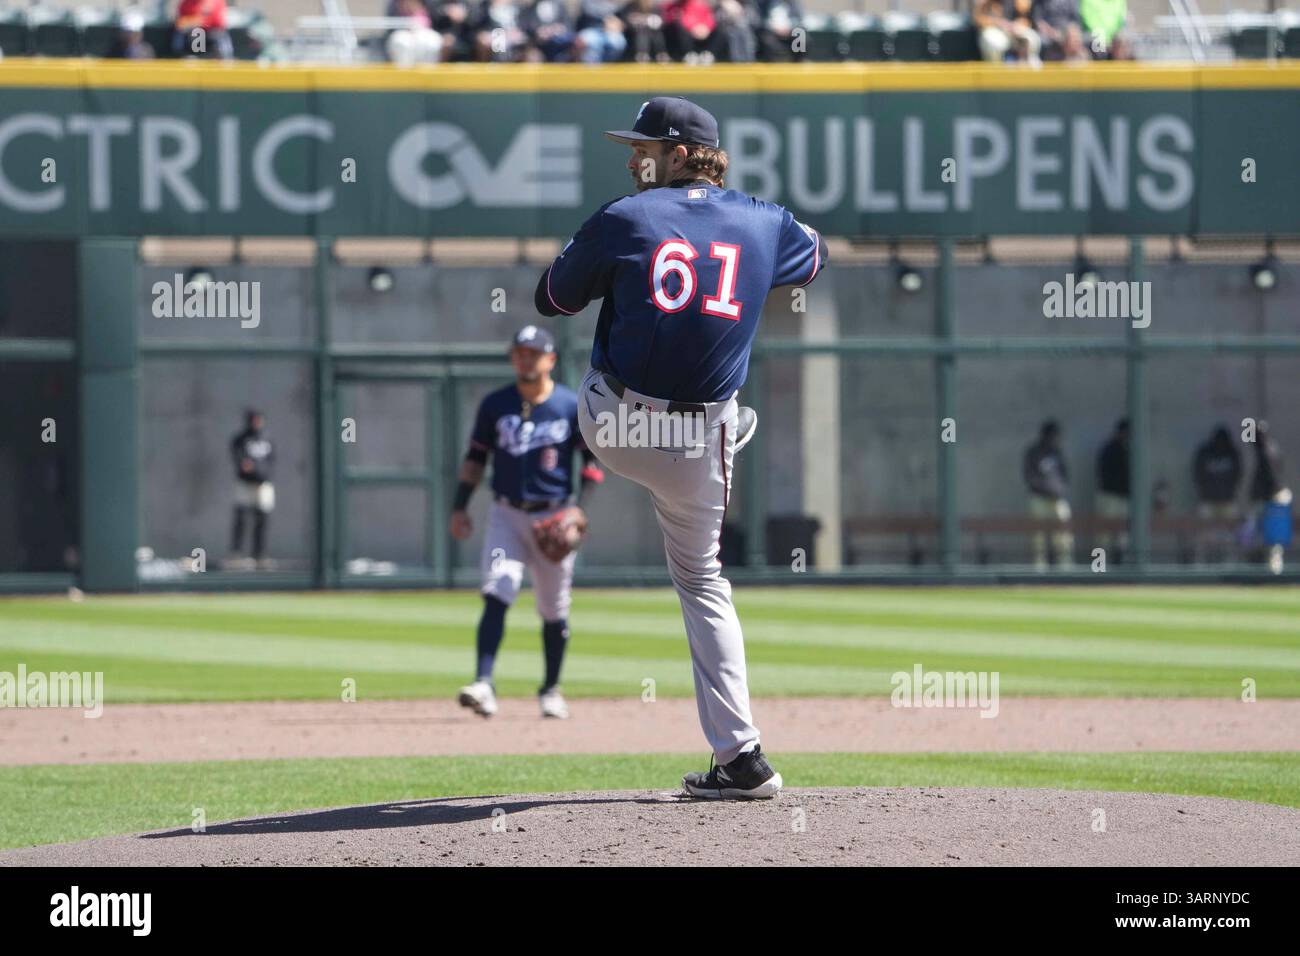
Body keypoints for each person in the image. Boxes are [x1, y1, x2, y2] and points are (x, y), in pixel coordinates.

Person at [535, 96, 827, 799]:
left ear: (680, 153)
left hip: (616, 427)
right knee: (703, 582)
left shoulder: (624, 216)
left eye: (646, 148)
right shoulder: (764, 220)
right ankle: (742, 753)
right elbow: (813, 257)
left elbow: (551, 301)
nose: (636, 158)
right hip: (701, 441)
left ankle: (741, 764)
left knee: (591, 370)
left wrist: (608, 246)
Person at [451, 326, 605, 720]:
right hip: (506, 513)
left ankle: (551, 689)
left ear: (551, 359)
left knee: (553, 606)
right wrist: (460, 506)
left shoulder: (571, 406)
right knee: (499, 584)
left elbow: (592, 465)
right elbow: (474, 461)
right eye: (520, 351)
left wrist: (579, 509)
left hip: (555, 514)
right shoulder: (495, 405)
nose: (526, 358)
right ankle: (484, 684)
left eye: (534, 353)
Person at [1023, 419, 1074, 569]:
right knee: (1038, 535)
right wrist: (1046, 490)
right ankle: (1040, 566)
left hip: (1057, 499)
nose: (1054, 438)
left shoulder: (1057, 452)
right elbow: (1030, 477)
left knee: (1063, 532)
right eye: (1052, 435)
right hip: (1039, 498)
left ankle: (1065, 564)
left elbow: (1065, 475)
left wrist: (1060, 490)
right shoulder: (1033, 452)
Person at [229, 410, 275, 569]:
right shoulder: (241, 440)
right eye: (254, 420)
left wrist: (261, 474)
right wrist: (252, 470)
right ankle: (236, 554)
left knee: (262, 519)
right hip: (245, 484)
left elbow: (271, 461)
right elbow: (242, 464)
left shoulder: (267, 439)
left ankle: (260, 554)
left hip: (263, 485)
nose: (257, 423)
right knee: (241, 518)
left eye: (259, 420)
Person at [1192, 424, 1241, 563]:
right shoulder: (1205, 452)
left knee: (1230, 536)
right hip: (1207, 501)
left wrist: (1229, 492)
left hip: (1228, 501)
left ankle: (1230, 564)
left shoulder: (1232, 453)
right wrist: (1205, 492)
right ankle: (1199, 565)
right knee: (1203, 535)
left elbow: (1238, 475)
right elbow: (1197, 474)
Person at [1095, 418, 1129, 562]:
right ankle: (1099, 567)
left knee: (1122, 536)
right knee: (1103, 535)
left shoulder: (1129, 450)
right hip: (1108, 497)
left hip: (1123, 498)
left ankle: (1120, 566)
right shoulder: (1109, 449)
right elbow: (1103, 475)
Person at [973, 0, 1042, 66]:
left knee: (1032, 38)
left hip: (1013, 31)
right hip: (994, 30)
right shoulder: (987, 3)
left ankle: (1029, 72)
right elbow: (978, 20)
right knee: (995, 44)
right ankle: (996, 74)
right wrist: (999, 23)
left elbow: (1025, 18)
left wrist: (1016, 25)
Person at [386, 0, 444, 65]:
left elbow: (436, 21)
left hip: (424, 32)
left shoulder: (430, 3)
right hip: (403, 32)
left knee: (432, 41)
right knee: (401, 41)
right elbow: (392, 24)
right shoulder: (394, 4)